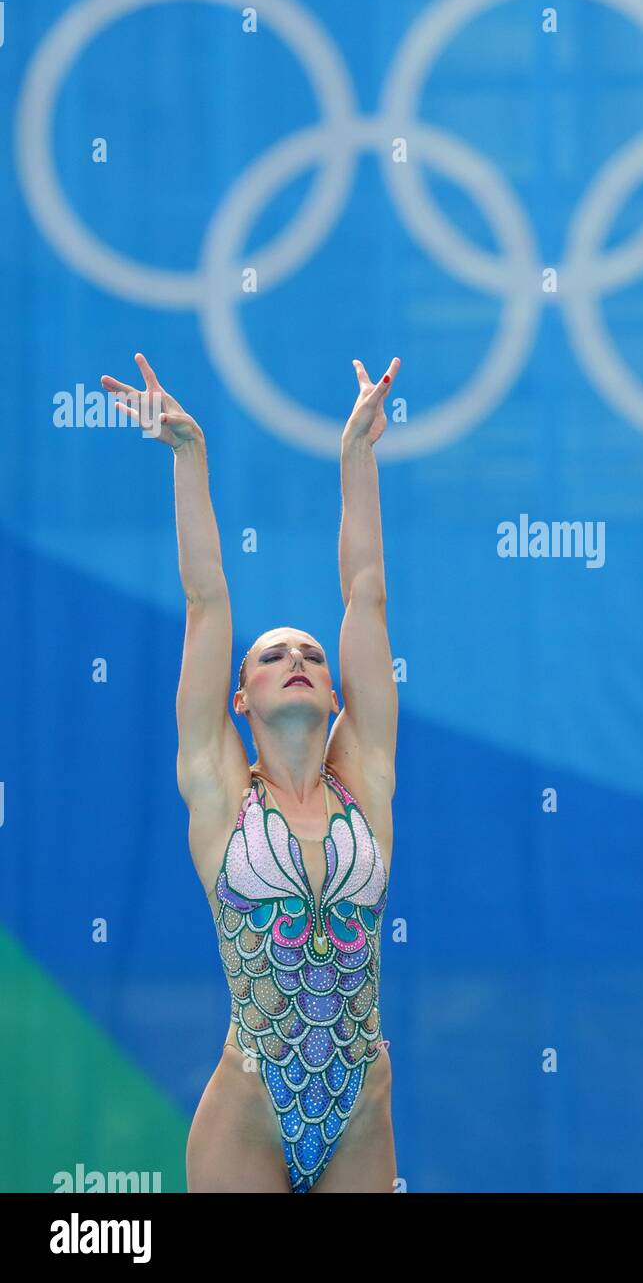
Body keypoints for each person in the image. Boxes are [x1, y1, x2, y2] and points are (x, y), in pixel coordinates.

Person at [100, 351, 400, 1193]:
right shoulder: (218, 789)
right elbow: (205, 600)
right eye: (274, 657)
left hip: (362, 1112)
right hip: (250, 1109)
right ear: (240, 696)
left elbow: (365, 593)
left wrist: (357, 457)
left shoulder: (365, 782)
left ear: (335, 690)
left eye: (310, 654)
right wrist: (187, 455)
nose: (299, 659)